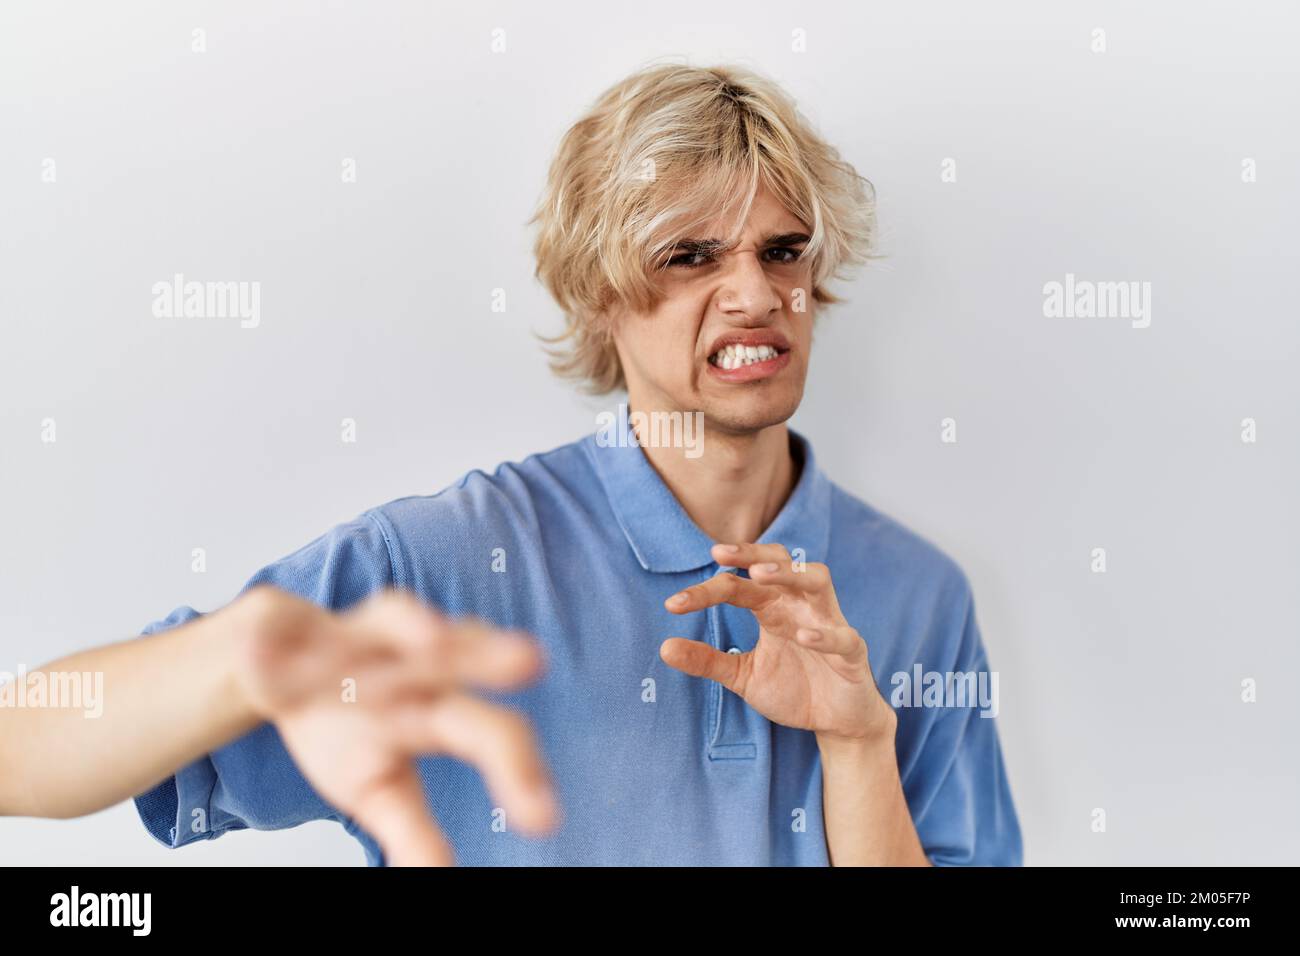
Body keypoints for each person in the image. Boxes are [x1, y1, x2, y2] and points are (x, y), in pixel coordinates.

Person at [0, 62, 1022, 866]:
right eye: (690, 256)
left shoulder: (917, 593)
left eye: (783, 250)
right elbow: (22, 747)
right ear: (599, 294)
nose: (755, 292)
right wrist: (236, 655)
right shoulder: (441, 563)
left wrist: (856, 747)